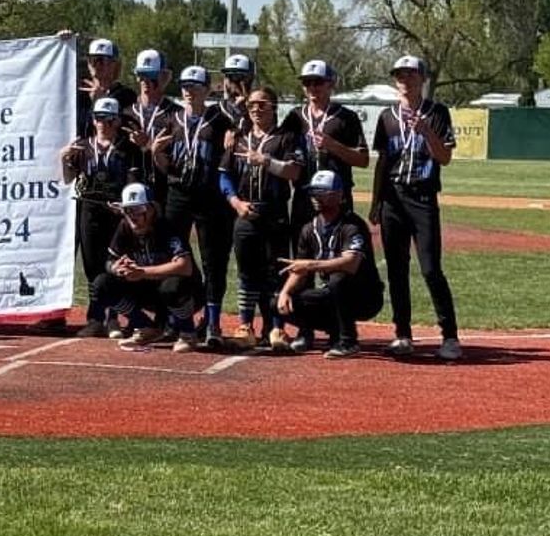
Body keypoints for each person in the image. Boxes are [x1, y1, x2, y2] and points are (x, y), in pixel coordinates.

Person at [370, 55, 462, 361]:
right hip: (393, 199)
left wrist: (426, 131)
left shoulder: (437, 113)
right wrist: (375, 203)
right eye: (399, 75)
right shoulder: (387, 117)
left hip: (422, 199)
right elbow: (383, 162)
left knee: (430, 268)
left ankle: (449, 336)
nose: (404, 80)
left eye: (410, 75)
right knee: (396, 270)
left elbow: (444, 158)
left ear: (422, 79)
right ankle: (403, 334)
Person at [152, 65, 235, 347]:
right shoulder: (171, 118)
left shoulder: (220, 120)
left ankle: (212, 324)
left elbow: (229, 157)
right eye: (186, 86)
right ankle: (177, 318)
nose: (189, 91)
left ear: (208, 89)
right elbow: (162, 160)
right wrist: (155, 154)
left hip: (210, 196)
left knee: (214, 260)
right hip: (178, 194)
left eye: (195, 86)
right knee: (175, 256)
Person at [219, 86, 302, 350]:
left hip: (274, 212)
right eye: (252, 105)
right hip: (245, 211)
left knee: (275, 272)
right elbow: (223, 175)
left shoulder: (285, 137)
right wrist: (235, 203)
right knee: (247, 272)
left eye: (263, 104)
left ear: (274, 107)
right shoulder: (238, 137)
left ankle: (276, 327)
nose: (256, 109)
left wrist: (265, 161)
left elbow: (295, 172)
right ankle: (245, 325)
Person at [57, 96, 143, 337]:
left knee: (114, 263)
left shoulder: (128, 148)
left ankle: (114, 318)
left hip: (116, 212)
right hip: (89, 209)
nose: (102, 123)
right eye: (98, 118)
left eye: (108, 119)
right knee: (92, 265)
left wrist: (126, 207)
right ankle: (95, 318)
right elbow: (67, 178)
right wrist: (64, 158)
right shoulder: (82, 146)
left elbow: (133, 182)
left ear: (117, 121)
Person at [277, 170, 384, 358]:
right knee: (277, 302)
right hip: (332, 294)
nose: (315, 197)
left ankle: (348, 341)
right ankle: (334, 329)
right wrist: (285, 292)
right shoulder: (309, 229)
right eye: (313, 192)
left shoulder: (352, 225)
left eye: (321, 193)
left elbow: (350, 263)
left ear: (338, 196)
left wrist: (311, 265)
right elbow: (299, 269)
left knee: (338, 279)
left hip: (364, 297)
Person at [90, 182, 201, 352]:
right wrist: (116, 268)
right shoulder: (125, 227)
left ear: (151, 209)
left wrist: (142, 272)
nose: (133, 216)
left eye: (138, 209)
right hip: (146, 290)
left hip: (183, 293)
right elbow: (109, 261)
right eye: (128, 210)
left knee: (172, 287)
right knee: (101, 284)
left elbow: (185, 267)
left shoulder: (166, 227)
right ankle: (145, 327)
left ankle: (188, 333)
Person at [281, 59, 368, 252]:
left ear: (331, 83)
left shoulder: (346, 117)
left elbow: (363, 159)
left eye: (318, 82)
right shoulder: (295, 117)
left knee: (337, 254)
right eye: (307, 82)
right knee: (301, 255)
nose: (312, 87)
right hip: (304, 197)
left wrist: (333, 145)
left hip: (337, 196)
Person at [125, 49, 178, 201]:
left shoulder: (176, 115)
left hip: (163, 190)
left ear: (165, 77)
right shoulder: (126, 113)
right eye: (142, 75)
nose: (145, 81)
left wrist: (148, 145)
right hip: (130, 187)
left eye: (152, 76)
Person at [76, 38, 136, 138]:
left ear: (114, 65)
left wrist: (101, 102)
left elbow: (126, 130)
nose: (97, 65)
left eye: (102, 60)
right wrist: (62, 43)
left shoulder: (126, 96)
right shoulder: (79, 94)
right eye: (92, 60)